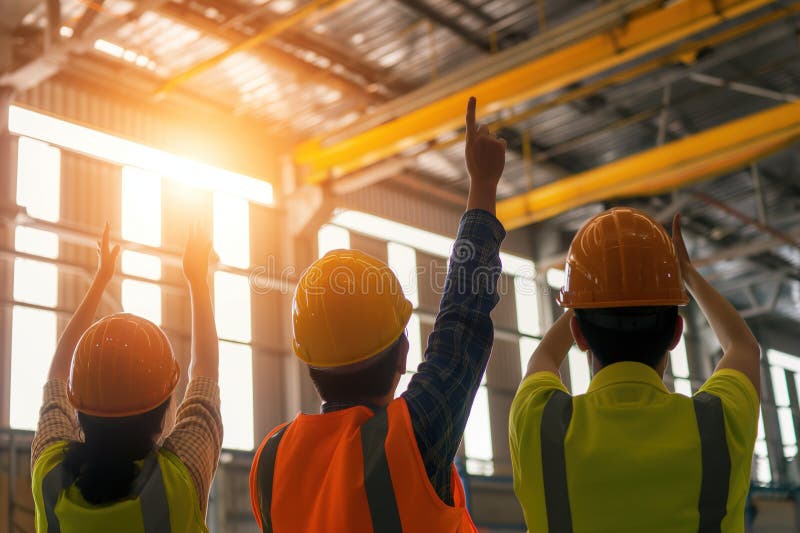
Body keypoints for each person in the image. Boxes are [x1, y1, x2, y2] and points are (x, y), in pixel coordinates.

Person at [249, 97, 507, 532]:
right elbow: (460, 325)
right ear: (404, 355)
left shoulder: (271, 462)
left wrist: (483, 189)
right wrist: (481, 184)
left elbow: (462, 324)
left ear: (309, 359)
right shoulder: (410, 442)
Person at [510, 208, 761, 533]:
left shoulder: (539, 421)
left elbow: (542, 356)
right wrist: (685, 273)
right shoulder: (720, 423)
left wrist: (594, 292)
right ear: (675, 333)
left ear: (578, 335)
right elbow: (743, 346)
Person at [31, 223, 223, 532]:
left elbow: (56, 374)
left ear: (78, 402)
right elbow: (205, 371)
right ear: (162, 413)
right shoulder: (179, 477)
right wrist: (198, 280)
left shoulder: (49, 475)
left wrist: (100, 281)